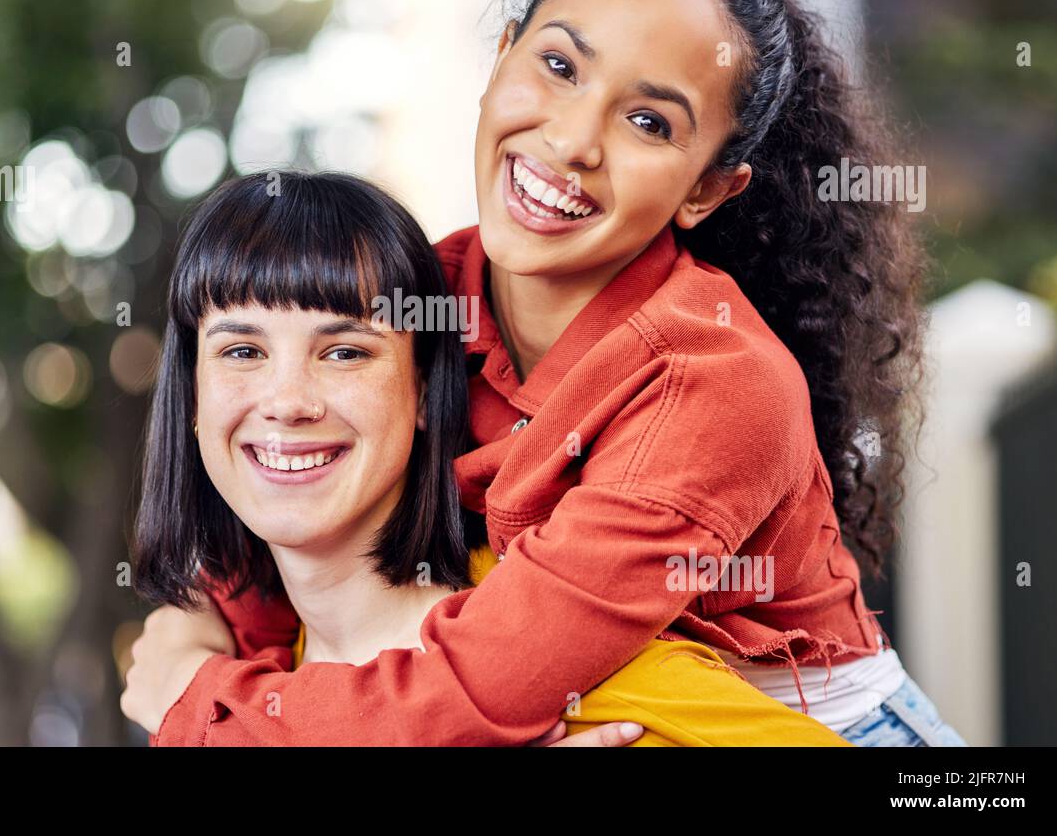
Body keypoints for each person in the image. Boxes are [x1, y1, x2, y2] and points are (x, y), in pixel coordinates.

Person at [126, 0, 965, 747]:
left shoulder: (716, 381)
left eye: (649, 122)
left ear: (706, 189)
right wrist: (196, 639)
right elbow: (265, 549)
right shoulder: (416, 296)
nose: (570, 141)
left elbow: (477, 688)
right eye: (559, 65)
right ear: (500, 60)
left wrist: (199, 706)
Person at [126, 169, 849, 746]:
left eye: (344, 350)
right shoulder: (264, 666)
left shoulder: (573, 676)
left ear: (422, 394)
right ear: (190, 399)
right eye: (242, 351)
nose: (287, 400)